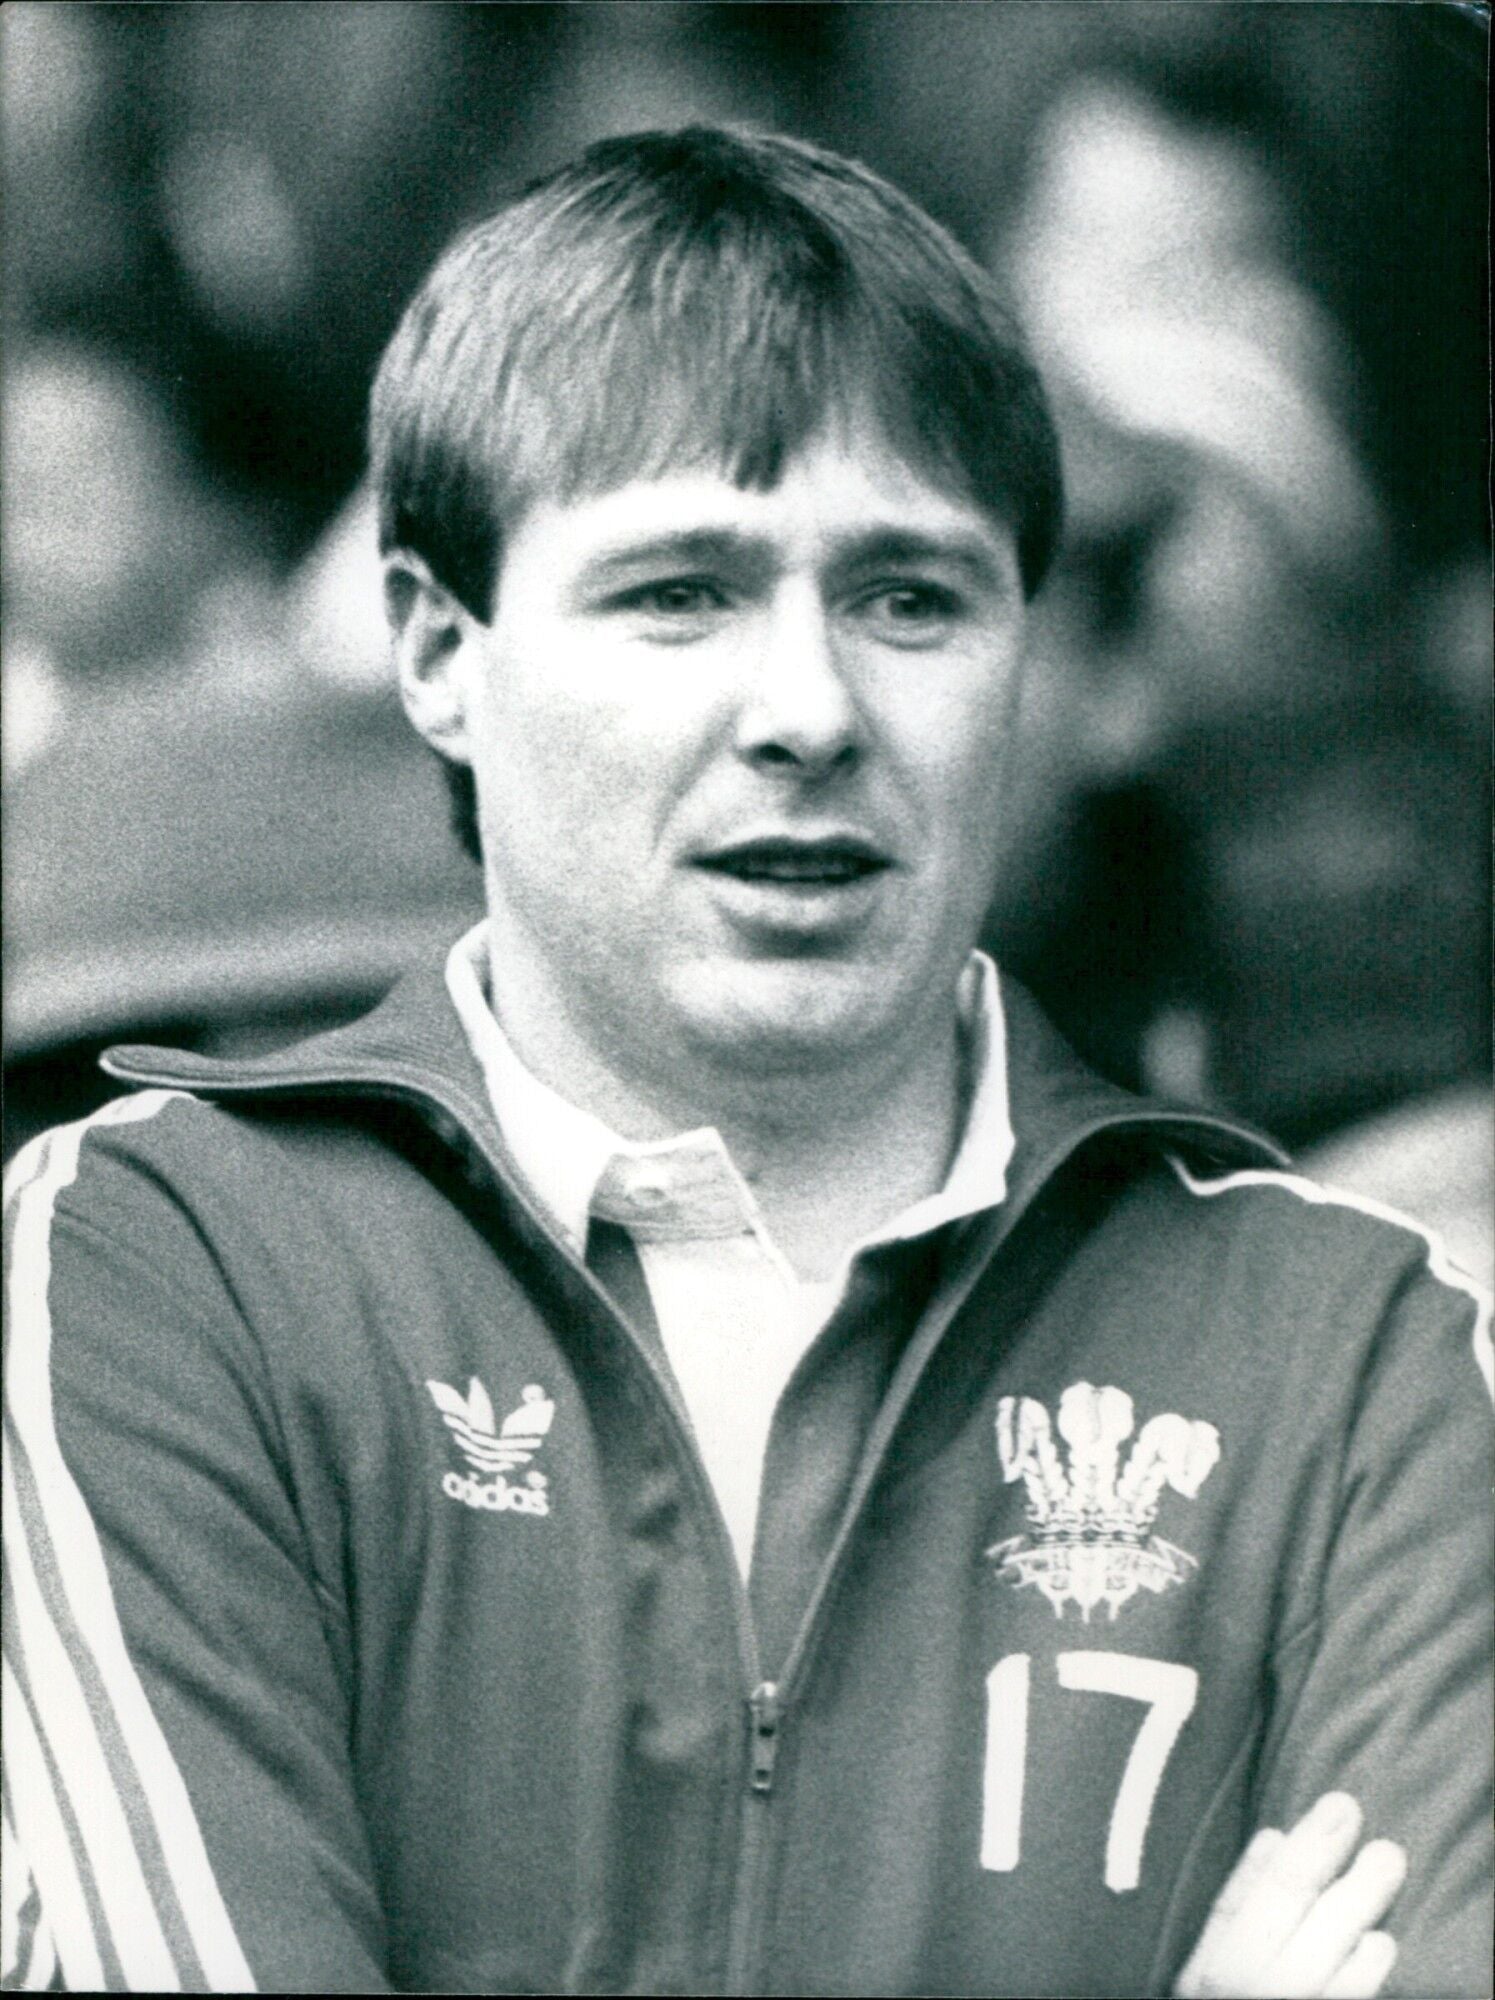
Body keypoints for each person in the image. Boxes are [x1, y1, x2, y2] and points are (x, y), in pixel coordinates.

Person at [3, 127, 1488, 1998]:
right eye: (678, 592)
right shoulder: (156, 1264)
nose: (808, 711)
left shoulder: (1361, 1351)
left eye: (911, 598)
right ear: (436, 651)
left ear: (1037, 658)